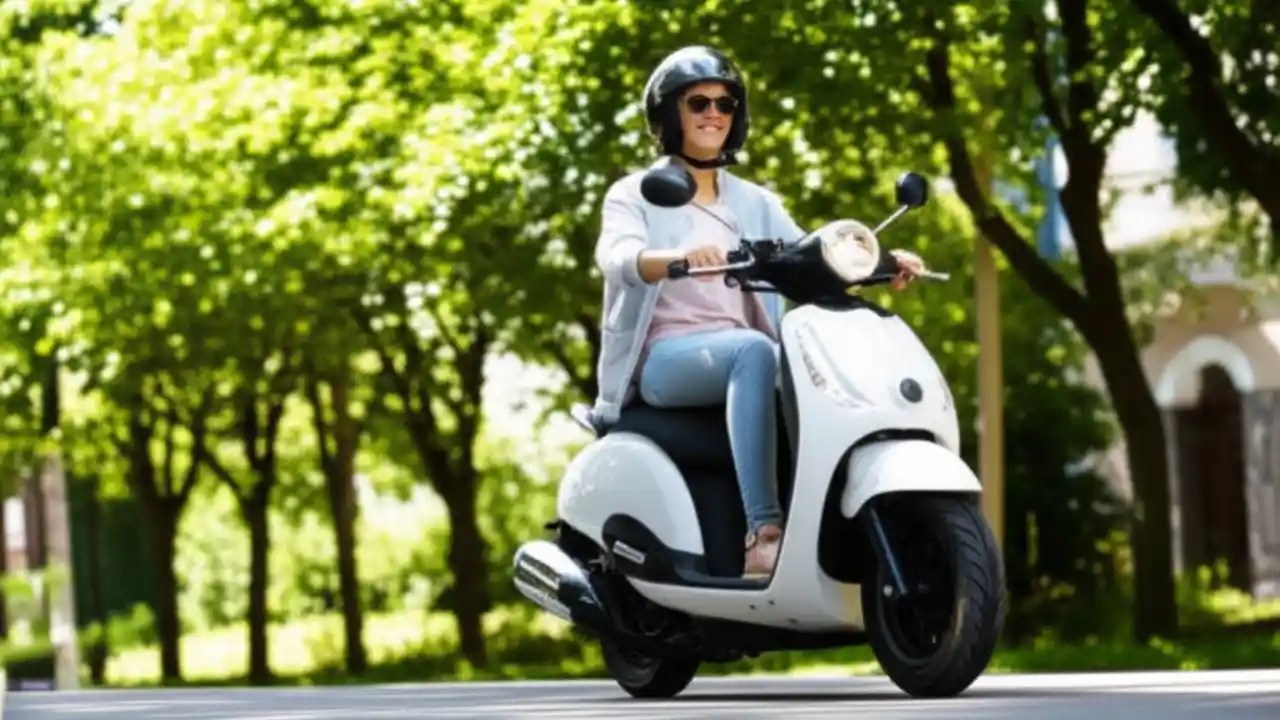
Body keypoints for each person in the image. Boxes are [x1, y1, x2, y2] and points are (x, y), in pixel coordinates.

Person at [591, 46, 923, 578]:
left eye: (725, 103)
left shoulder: (755, 201)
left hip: (747, 358)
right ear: (669, 116)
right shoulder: (635, 195)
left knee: (814, 367)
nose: (713, 114)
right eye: (697, 102)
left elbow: (806, 258)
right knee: (754, 350)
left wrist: (881, 264)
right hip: (663, 362)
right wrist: (671, 259)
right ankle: (763, 533)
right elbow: (616, 257)